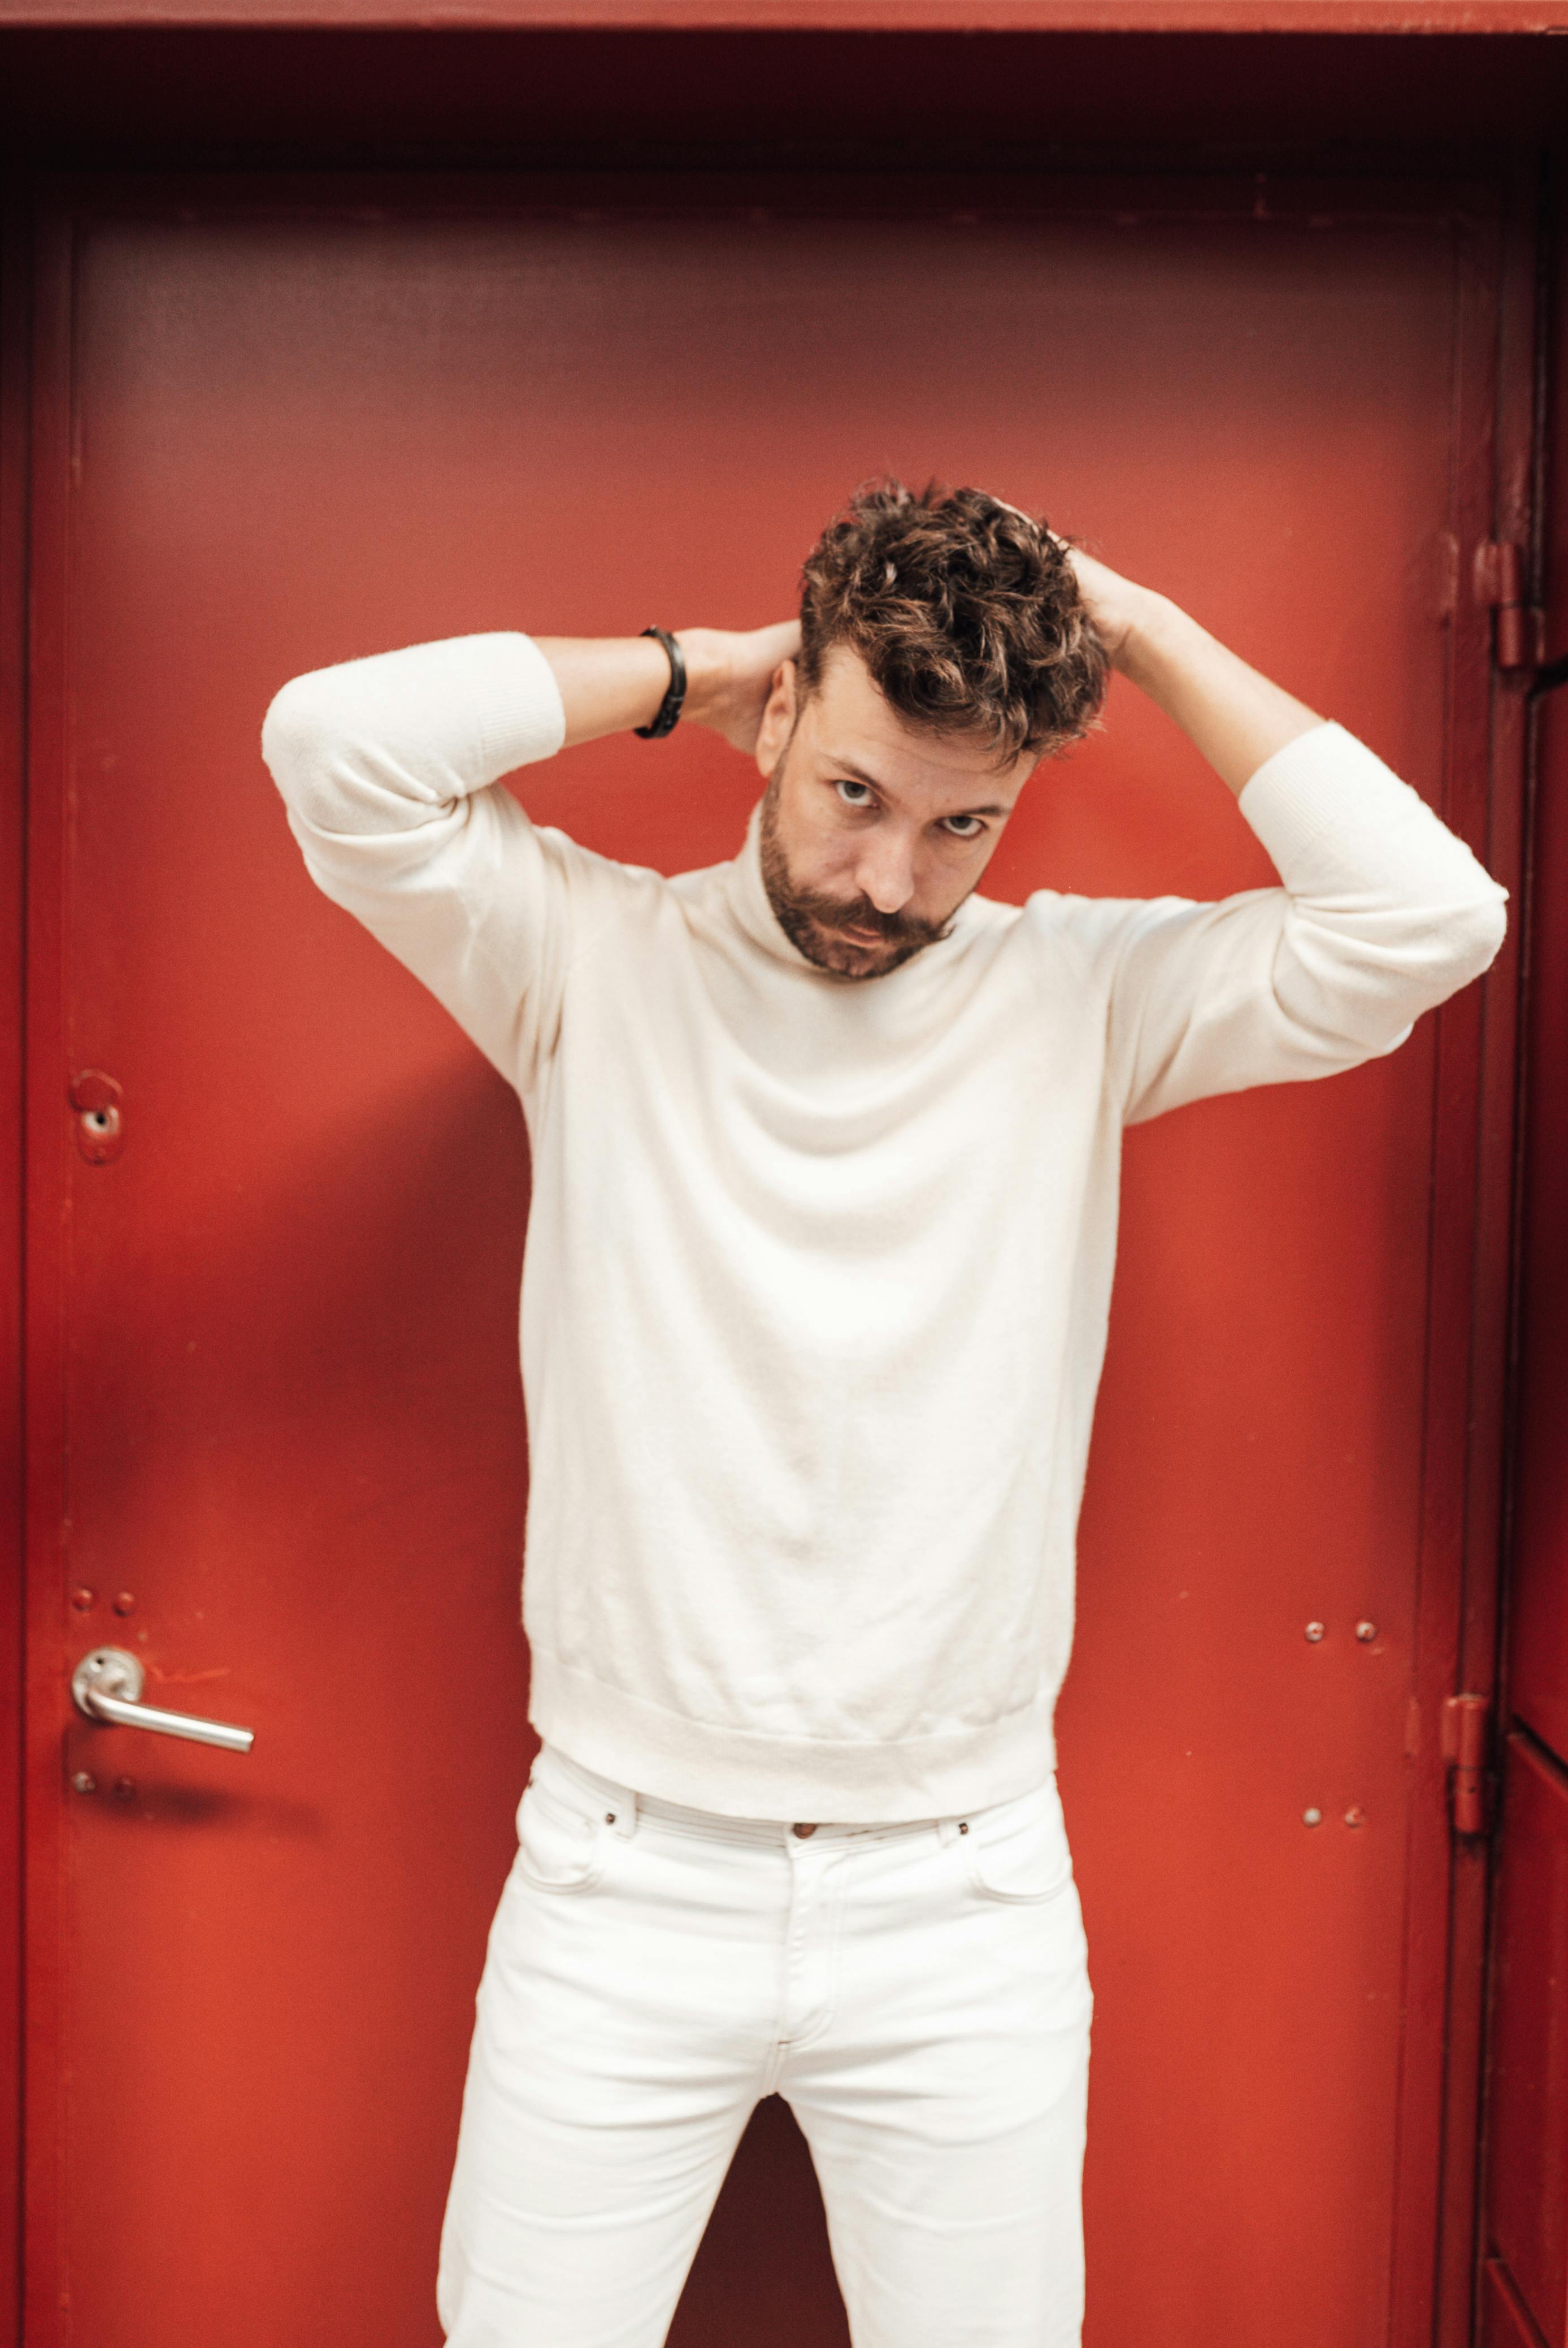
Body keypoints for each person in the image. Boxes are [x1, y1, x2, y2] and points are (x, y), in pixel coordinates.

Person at [261, 479, 1508, 2348]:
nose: (892, 885)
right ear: (784, 721)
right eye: (855, 792)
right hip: (618, 1870)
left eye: (962, 826)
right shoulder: (582, 958)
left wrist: (1142, 629)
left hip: (965, 1892)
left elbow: (1433, 920)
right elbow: (331, 746)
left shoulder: (1079, 994)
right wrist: (700, 665)